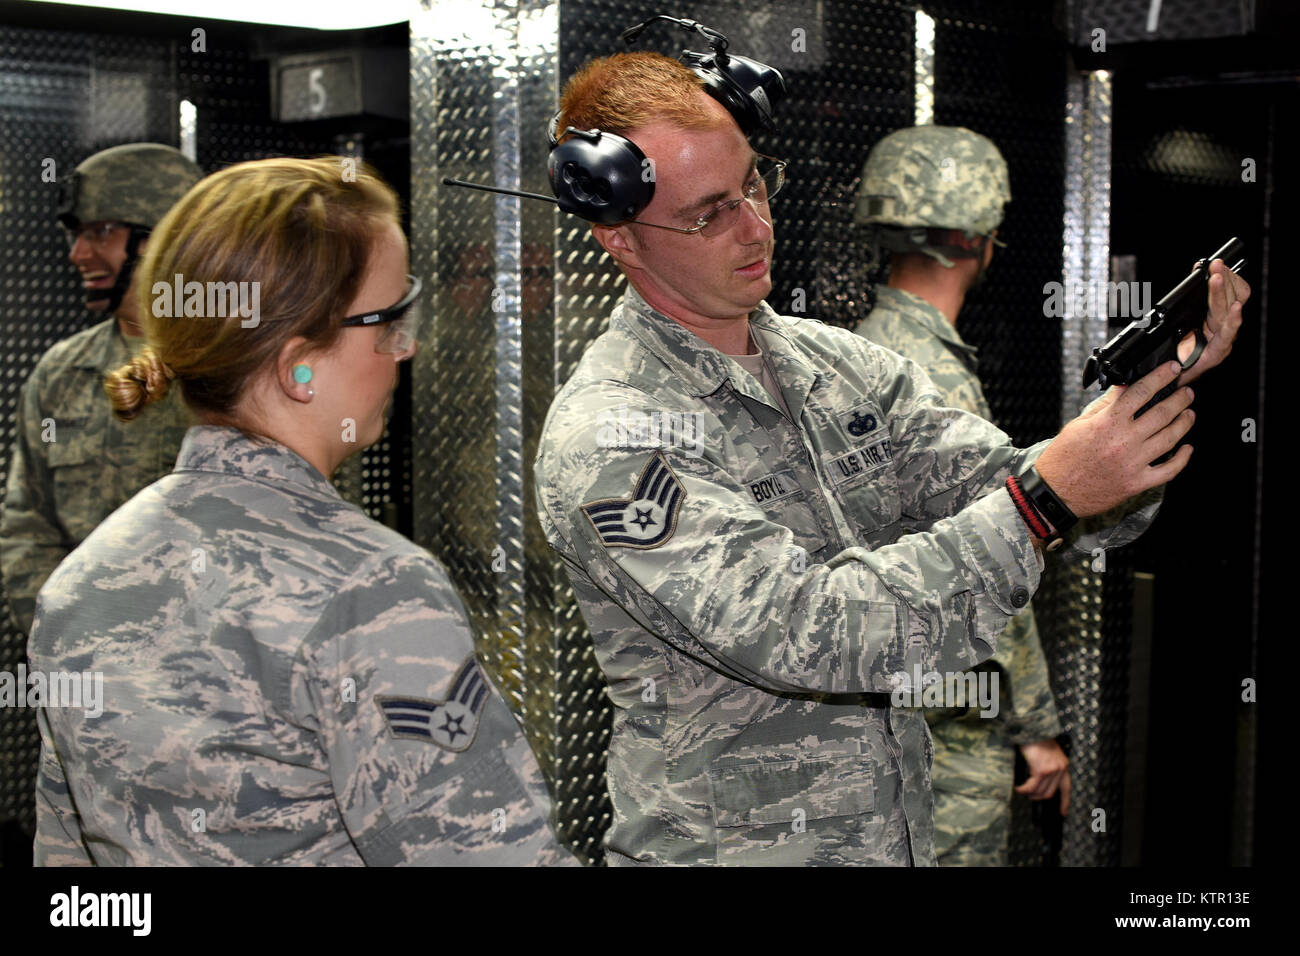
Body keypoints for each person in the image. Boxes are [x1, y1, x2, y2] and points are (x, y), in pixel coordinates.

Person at [532, 52, 1249, 865]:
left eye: (755, 186)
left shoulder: (835, 368)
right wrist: (1046, 499)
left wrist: (1143, 392)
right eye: (708, 215)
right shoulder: (614, 435)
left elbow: (1005, 481)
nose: (755, 228)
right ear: (619, 236)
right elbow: (813, 632)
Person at [29, 157, 575, 866]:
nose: (407, 348)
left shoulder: (77, 587)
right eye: (388, 321)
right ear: (298, 368)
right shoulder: (371, 591)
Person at [854, 125, 1068, 866]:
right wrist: (1034, 726)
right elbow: (994, 562)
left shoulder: (858, 349)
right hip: (951, 716)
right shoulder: (937, 380)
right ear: (978, 234)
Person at [0, 144, 202, 635]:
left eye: (100, 234)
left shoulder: (229, 365)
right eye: (77, 236)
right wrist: (68, 640)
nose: (77, 254)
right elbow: (28, 524)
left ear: (162, 240)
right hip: (85, 669)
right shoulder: (61, 372)